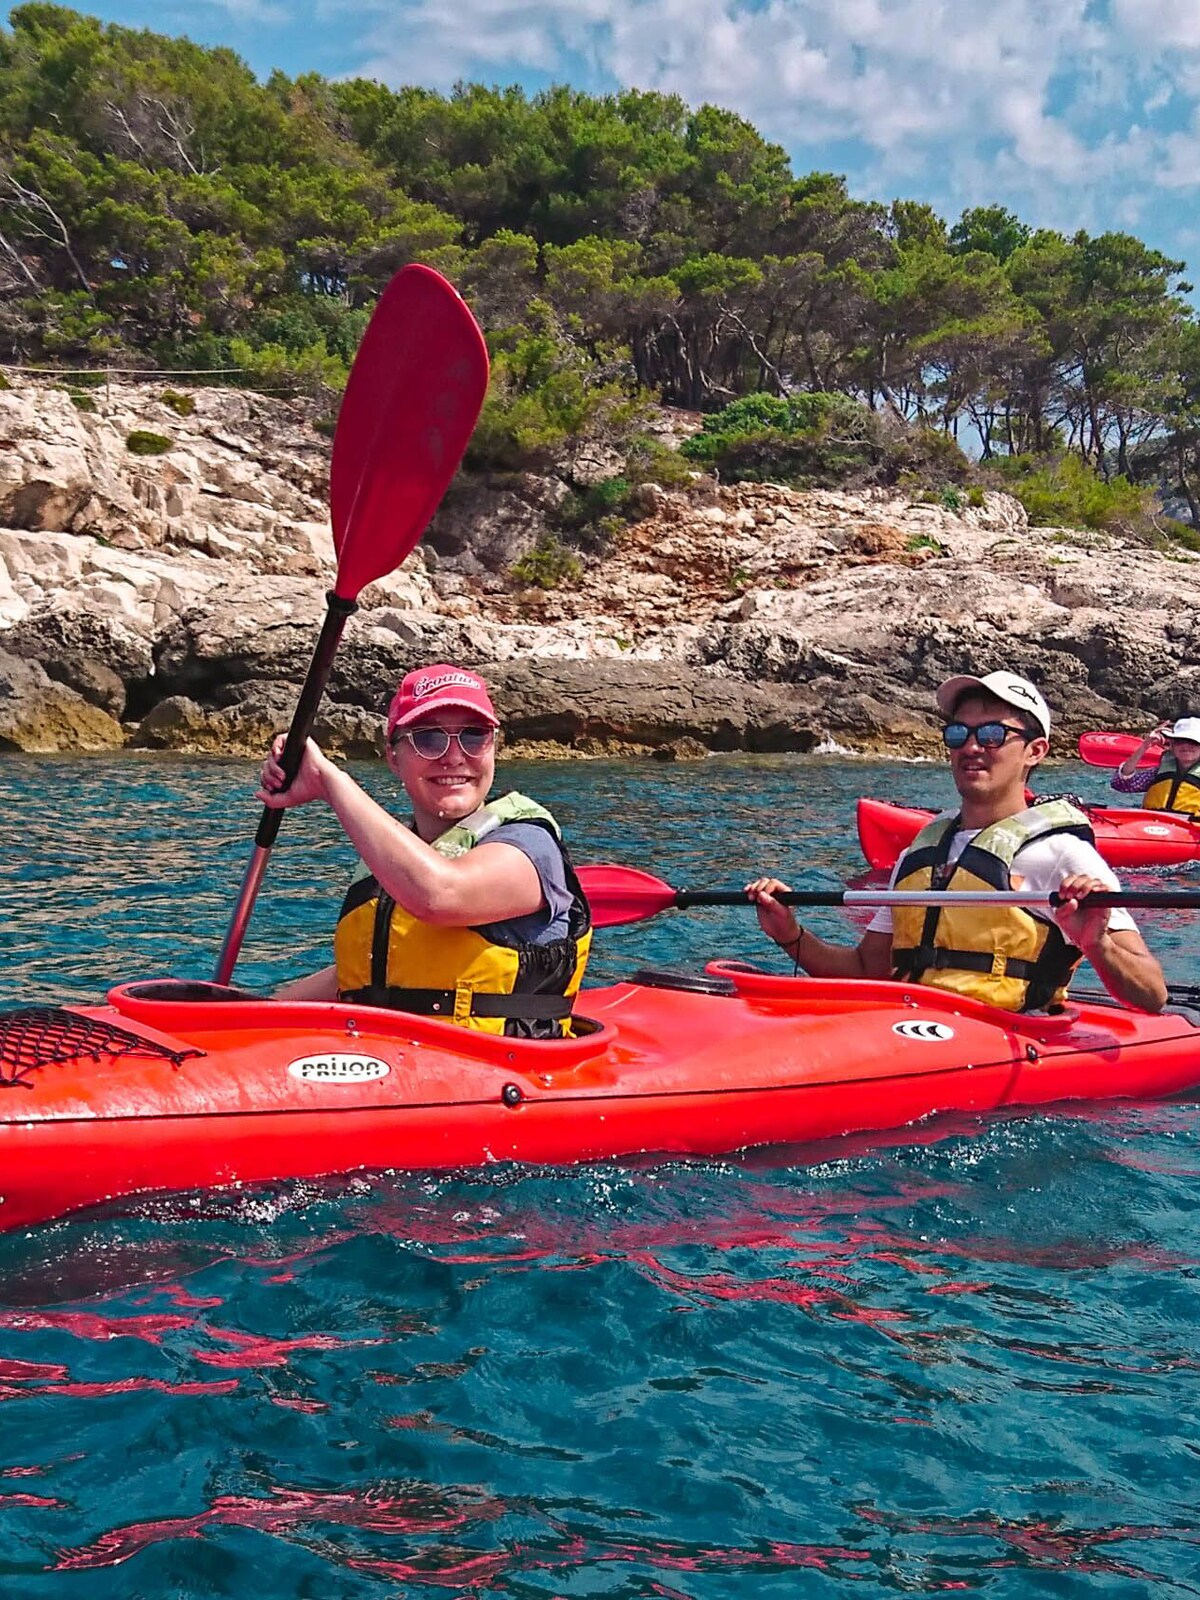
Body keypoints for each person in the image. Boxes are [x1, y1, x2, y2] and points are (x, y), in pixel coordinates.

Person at [748, 670, 1167, 1014]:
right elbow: (866, 968)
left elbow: (1151, 994)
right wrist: (790, 934)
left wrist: (1096, 943)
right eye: (958, 734)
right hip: (909, 1022)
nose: (970, 747)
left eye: (991, 735)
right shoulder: (921, 850)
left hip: (1007, 1033)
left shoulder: (1063, 854)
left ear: (1035, 751)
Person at [257, 663, 592, 1037]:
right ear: (393, 756)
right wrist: (244, 1020)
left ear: (494, 747)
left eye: (474, 736)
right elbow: (366, 976)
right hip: (392, 1063)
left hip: (501, 1072)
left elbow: (441, 894)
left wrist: (330, 782)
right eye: (429, 738)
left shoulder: (530, 846)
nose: (453, 756)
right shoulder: (397, 855)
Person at [1111, 717, 1200, 815]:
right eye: (1180, 741)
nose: (1186, 746)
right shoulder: (1156, 773)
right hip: (1152, 825)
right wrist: (1144, 746)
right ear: (1172, 746)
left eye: (1193, 742)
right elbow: (1121, 784)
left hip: (1190, 827)